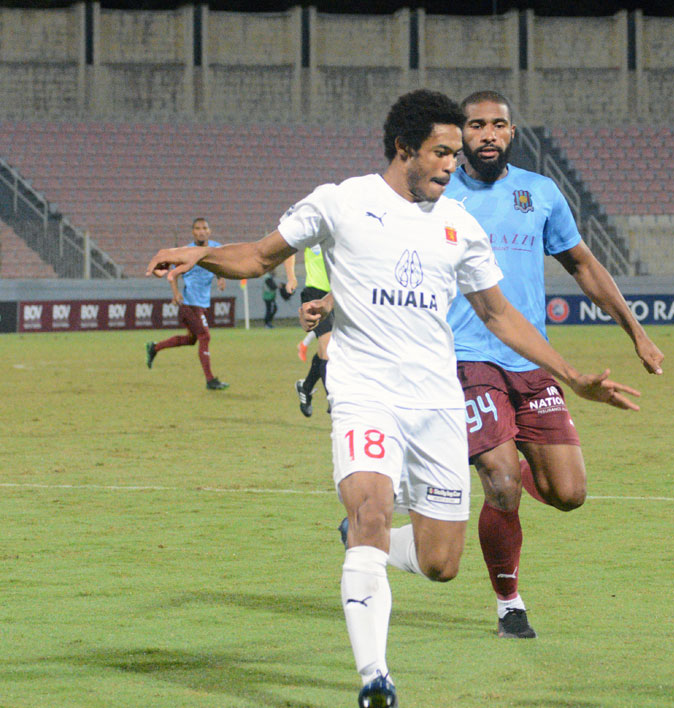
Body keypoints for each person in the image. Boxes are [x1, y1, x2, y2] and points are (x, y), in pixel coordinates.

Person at [145, 89, 640, 708]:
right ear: (405, 148)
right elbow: (260, 255)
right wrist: (204, 256)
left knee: (441, 563)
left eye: (456, 155)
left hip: (436, 405)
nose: (451, 166)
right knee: (372, 511)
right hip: (365, 395)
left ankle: (366, 544)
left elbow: (499, 314)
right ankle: (374, 677)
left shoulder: (461, 226)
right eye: (441, 152)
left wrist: (571, 375)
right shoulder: (341, 202)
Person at [441, 90, 664, 639]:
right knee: (501, 481)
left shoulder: (538, 193)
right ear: (460, 134)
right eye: (476, 126)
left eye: (498, 125)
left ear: (512, 133)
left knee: (569, 494)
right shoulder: (440, 198)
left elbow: (583, 266)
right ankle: (509, 603)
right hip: (467, 358)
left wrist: (634, 331)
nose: (487, 134)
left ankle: (513, 465)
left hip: (530, 359)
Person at [145, 217, 229, 390]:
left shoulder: (215, 247)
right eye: (197, 228)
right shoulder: (185, 251)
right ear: (193, 232)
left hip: (202, 303)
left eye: (204, 227)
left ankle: (154, 348)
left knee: (192, 339)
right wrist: (176, 293)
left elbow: (219, 265)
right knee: (205, 336)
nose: (201, 231)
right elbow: (173, 274)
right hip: (189, 303)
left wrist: (221, 278)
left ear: (209, 231)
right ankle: (210, 380)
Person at [285, 246, 334, 417]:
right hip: (315, 294)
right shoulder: (314, 225)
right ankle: (334, 401)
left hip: (338, 294)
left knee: (324, 351)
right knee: (327, 348)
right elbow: (290, 248)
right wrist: (291, 277)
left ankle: (305, 388)